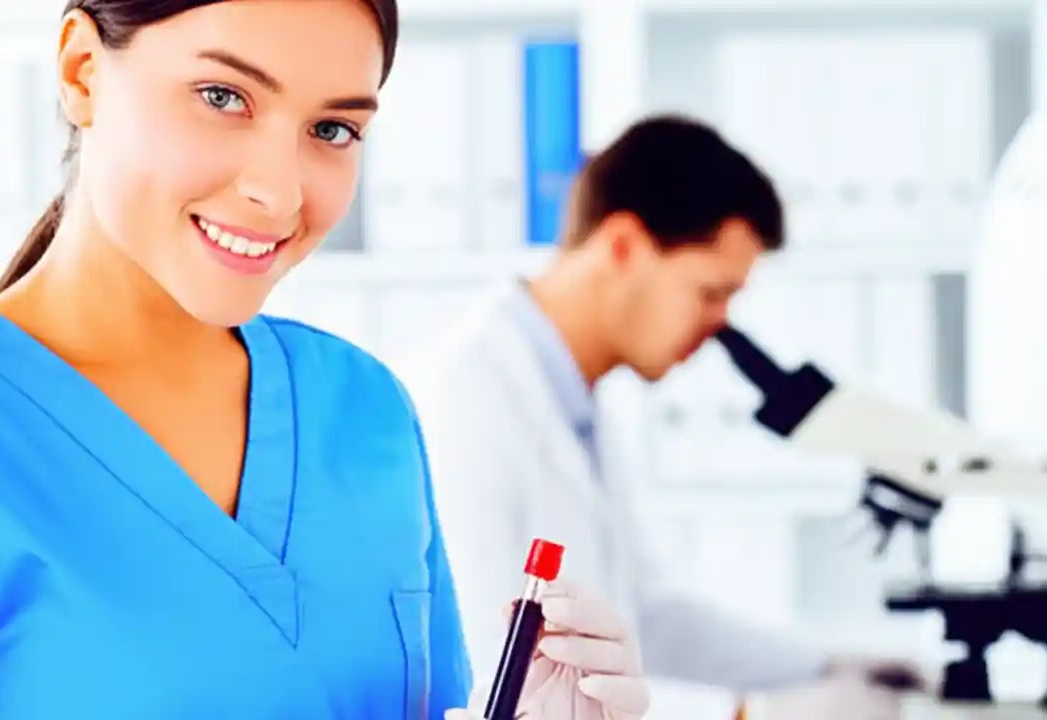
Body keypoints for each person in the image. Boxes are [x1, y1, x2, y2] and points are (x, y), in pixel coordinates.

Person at [0, 2, 651, 719]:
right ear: (81, 69)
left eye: (333, 130)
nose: (280, 189)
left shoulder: (365, 410)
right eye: (223, 97)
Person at [397, 115, 931, 718]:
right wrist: (751, 713)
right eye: (710, 292)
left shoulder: (573, 398)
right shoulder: (464, 397)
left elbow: (645, 615)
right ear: (623, 245)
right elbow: (498, 669)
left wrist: (828, 665)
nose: (721, 323)